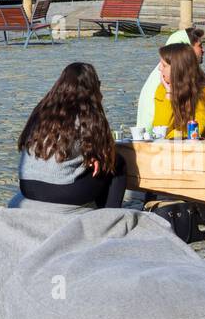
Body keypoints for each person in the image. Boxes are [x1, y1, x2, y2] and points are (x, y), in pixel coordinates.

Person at [17, 62, 128, 209]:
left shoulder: (42, 109)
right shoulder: (87, 113)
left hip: (27, 185)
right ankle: (109, 217)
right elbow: (106, 153)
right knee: (117, 163)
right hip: (62, 190)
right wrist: (97, 157)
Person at [154, 44, 205, 139]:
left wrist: (167, 135)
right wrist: (169, 95)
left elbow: (193, 132)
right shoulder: (163, 89)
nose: (159, 68)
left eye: (164, 65)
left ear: (178, 69)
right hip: (170, 148)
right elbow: (158, 131)